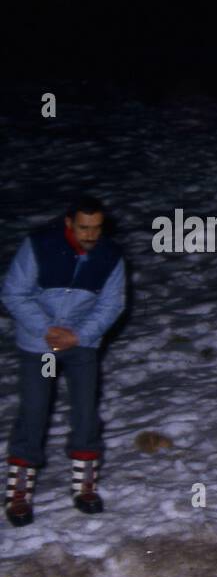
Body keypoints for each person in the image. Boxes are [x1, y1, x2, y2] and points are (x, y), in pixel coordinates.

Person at [2, 196, 126, 524]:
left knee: (85, 410)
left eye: (97, 228)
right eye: (84, 228)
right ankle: (19, 491)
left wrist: (80, 335)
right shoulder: (40, 245)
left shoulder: (110, 255)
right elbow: (14, 292)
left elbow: (112, 304)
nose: (91, 235)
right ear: (69, 223)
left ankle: (84, 484)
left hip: (80, 345)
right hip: (41, 346)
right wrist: (46, 330)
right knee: (34, 409)